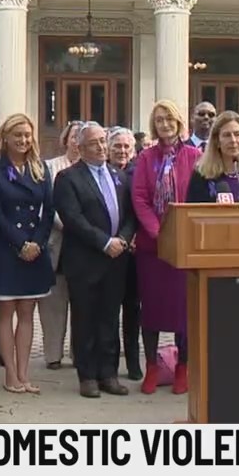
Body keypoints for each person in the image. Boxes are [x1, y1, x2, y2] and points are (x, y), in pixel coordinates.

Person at [54, 122, 137, 398]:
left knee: (110, 318)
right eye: (94, 143)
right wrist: (104, 242)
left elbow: (129, 215)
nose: (101, 147)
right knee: (85, 318)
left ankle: (109, 374)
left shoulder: (119, 175)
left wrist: (122, 240)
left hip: (116, 260)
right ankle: (87, 375)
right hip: (86, 260)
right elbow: (73, 218)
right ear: (79, 147)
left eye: (103, 141)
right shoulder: (68, 178)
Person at [0, 114, 55, 394]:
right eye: (17, 135)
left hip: (35, 251)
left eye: (27, 135)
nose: (23, 140)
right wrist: (20, 243)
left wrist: (36, 243)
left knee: (27, 313)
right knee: (6, 312)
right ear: (6, 138)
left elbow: (48, 210)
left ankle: (24, 374)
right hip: (5, 249)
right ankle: (10, 374)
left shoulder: (40, 168)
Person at [133, 102, 203, 393]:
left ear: (178, 122)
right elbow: (139, 197)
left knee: (181, 312)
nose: (164, 124)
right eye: (159, 120)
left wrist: (177, 233)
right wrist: (158, 231)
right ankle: (151, 366)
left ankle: (183, 368)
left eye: (169, 119)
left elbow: (198, 197)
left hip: (184, 245)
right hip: (153, 247)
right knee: (151, 309)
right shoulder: (146, 158)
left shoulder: (195, 156)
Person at [40, 120, 81, 370]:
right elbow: (48, 203)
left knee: (82, 303)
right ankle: (53, 355)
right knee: (53, 303)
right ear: (66, 139)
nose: (77, 141)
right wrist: (69, 224)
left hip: (84, 247)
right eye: (74, 136)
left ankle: (79, 353)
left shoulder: (96, 168)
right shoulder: (51, 167)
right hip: (58, 241)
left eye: (81, 136)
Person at [107, 126, 141, 379]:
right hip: (108, 250)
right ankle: (109, 363)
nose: (122, 151)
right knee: (109, 310)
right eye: (117, 146)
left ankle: (133, 362)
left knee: (133, 309)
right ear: (108, 149)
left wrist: (132, 237)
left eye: (126, 146)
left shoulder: (139, 172)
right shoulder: (102, 172)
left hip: (134, 251)